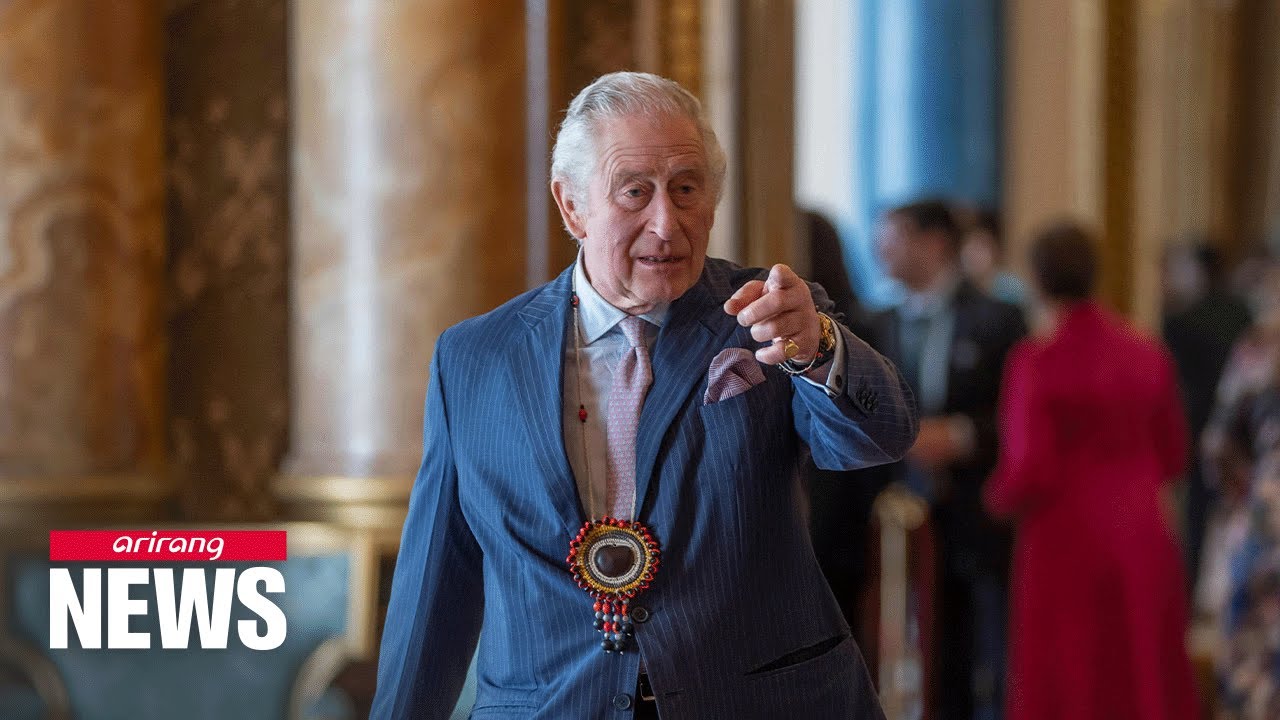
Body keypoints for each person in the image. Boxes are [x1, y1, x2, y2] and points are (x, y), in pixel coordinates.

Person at [371, 72, 918, 719]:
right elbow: (438, 586)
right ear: (572, 206)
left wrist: (819, 348)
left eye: (687, 190)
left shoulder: (766, 314)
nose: (667, 222)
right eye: (635, 192)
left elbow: (878, 438)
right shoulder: (474, 359)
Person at [984, 221, 1200, 720]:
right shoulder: (1146, 351)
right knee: (1142, 664)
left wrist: (991, 500)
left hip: (1065, 537)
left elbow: (1030, 469)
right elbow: (1173, 454)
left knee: (1071, 673)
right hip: (1143, 529)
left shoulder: (1037, 360)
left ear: (1036, 279)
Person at [868, 199, 1026, 720]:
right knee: (918, 651)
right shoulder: (875, 323)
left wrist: (957, 436)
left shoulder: (999, 317)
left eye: (894, 238)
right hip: (899, 518)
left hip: (978, 513)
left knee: (985, 646)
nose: (880, 251)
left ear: (934, 243)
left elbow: (1019, 414)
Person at [1161, 242, 1253, 593]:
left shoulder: (1182, 320)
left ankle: (1192, 588)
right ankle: (1229, 585)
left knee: (1197, 516)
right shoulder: (1240, 312)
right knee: (1234, 511)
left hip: (1200, 426)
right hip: (1238, 430)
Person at [956, 207, 1028, 306]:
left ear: (997, 249)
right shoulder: (956, 287)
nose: (974, 255)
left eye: (981, 247)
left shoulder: (1011, 289)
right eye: (970, 246)